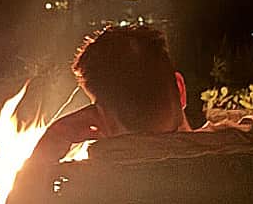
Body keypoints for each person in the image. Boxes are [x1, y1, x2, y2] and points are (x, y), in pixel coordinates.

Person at [30, 24, 200, 164]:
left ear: (103, 120)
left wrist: (45, 151)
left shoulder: (93, 194)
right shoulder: (223, 167)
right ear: (180, 89)